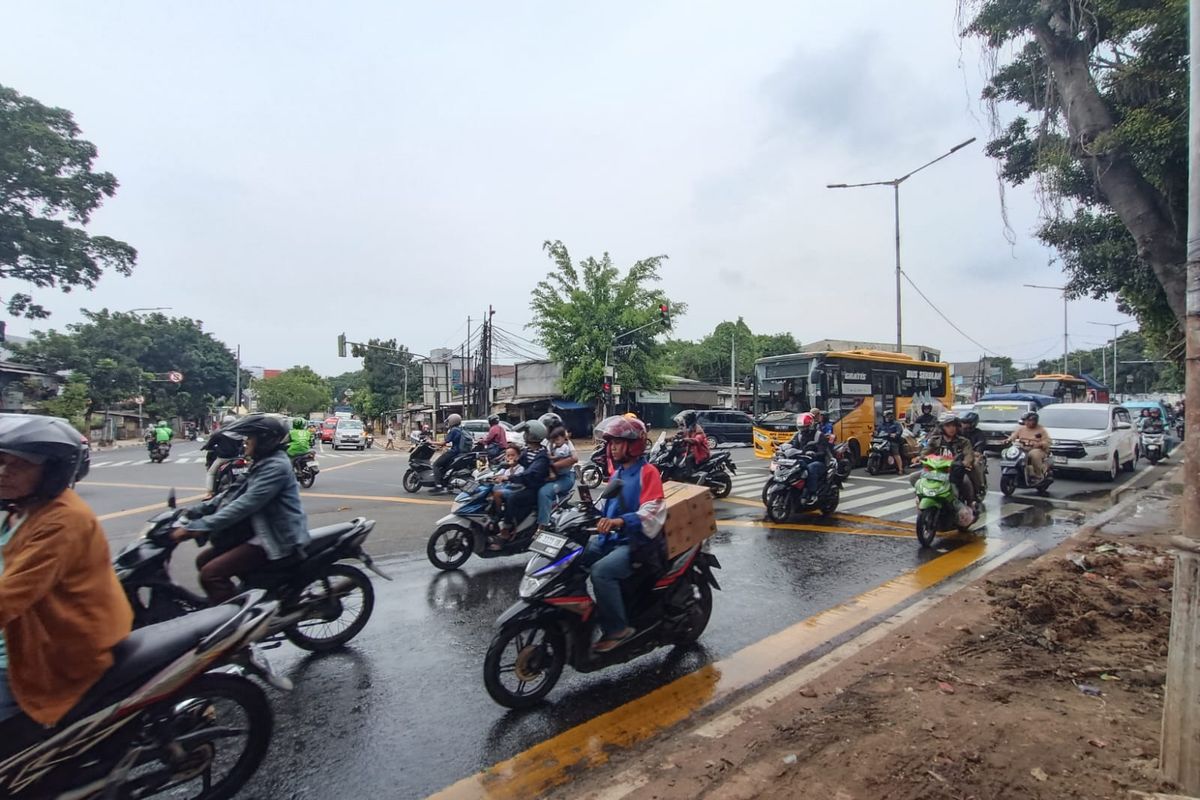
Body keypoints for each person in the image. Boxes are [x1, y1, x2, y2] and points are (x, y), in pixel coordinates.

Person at [0, 415, 132, 726]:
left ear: (50, 472)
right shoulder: (18, 508)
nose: (3, 472)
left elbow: (10, 597)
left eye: (18, 465)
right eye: (1, 461)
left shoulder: (63, 520)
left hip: (52, 647)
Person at [172, 414, 310, 603]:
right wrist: (192, 512)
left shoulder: (275, 466)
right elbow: (231, 493)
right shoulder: (261, 462)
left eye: (250, 438)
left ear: (263, 441)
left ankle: (233, 624)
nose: (245, 443)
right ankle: (244, 597)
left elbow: (244, 504)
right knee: (203, 560)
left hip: (274, 537)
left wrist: (199, 526)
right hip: (255, 531)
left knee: (210, 574)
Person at [582, 415, 667, 653]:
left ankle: (618, 628)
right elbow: (606, 506)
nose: (613, 447)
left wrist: (621, 521)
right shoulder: (618, 473)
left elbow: (653, 511)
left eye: (618, 442)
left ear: (634, 445)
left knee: (601, 572)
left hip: (635, 544)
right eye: (611, 443)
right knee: (575, 555)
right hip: (612, 539)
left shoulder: (647, 472)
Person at [492, 421, 550, 545]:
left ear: (533, 435)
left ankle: (507, 529)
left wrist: (508, 478)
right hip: (523, 485)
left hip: (533, 488)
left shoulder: (542, 457)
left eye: (527, 432)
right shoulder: (528, 450)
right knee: (495, 494)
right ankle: (497, 521)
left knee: (512, 498)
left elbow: (528, 473)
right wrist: (500, 466)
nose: (525, 435)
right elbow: (516, 460)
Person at [918, 412, 976, 507]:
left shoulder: (963, 441)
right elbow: (925, 452)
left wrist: (965, 462)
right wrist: (921, 458)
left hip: (955, 471)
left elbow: (968, 455)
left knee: (966, 481)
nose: (951, 428)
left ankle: (970, 503)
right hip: (936, 471)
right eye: (948, 426)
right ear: (942, 427)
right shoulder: (935, 440)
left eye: (953, 425)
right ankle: (920, 498)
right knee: (914, 477)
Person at [538, 422, 578, 529]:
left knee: (544, 492)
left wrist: (553, 465)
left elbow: (574, 458)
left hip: (565, 477)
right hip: (548, 475)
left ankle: (542, 526)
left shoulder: (565, 443)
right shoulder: (542, 442)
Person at [788, 412, 833, 500]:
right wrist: (782, 449)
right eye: (801, 427)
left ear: (810, 425)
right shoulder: (798, 435)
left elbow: (823, 451)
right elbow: (792, 446)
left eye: (805, 427)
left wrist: (813, 453)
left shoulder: (819, 435)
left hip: (819, 461)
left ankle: (811, 493)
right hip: (803, 460)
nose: (803, 429)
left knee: (811, 468)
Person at [1007, 411, 1052, 485]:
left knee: (1034, 454)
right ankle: (1019, 472)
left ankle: (1038, 475)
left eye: (1029, 420)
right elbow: (1014, 436)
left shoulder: (1041, 430)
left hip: (1037, 449)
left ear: (1035, 421)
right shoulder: (1021, 429)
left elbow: (1047, 441)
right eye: (1025, 420)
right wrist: (1008, 440)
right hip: (1023, 448)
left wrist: (1039, 444)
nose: (1027, 422)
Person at [432, 414, 470, 489]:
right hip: (460, 453)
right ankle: (446, 482)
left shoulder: (453, 430)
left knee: (436, 465)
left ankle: (438, 485)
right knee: (445, 466)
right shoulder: (461, 429)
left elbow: (443, 443)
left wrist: (431, 442)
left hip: (454, 452)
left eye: (449, 421)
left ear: (452, 421)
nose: (448, 423)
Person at [490, 443, 525, 517]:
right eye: (508, 456)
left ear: (518, 456)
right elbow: (496, 475)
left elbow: (514, 478)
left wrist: (512, 466)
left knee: (497, 494)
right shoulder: (505, 467)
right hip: (504, 487)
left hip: (515, 489)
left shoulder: (520, 468)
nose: (510, 458)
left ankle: (499, 514)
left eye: (513, 455)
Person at [959, 411, 987, 500]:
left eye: (967, 423)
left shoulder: (979, 434)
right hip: (959, 456)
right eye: (963, 422)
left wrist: (973, 453)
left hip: (975, 456)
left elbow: (979, 450)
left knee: (975, 464)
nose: (964, 425)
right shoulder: (958, 433)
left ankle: (980, 486)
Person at [674, 410, 710, 479]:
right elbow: (684, 434)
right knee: (679, 452)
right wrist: (672, 438)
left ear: (689, 419)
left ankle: (690, 476)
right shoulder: (690, 427)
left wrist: (686, 439)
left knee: (688, 458)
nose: (684, 421)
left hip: (701, 452)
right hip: (693, 450)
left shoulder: (698, 429)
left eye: (685, 419)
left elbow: (697, 440)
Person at [876, 410, 906, 474]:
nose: (888, 417)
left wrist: (895, 434)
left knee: (895, 453)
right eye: (887, 416)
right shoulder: (882, 424)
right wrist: (874, 433)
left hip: (893, 441)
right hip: (883, 440)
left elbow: (899, 431)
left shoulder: (896, 424)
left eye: (889, 415)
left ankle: (900, 469)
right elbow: (877, 431)